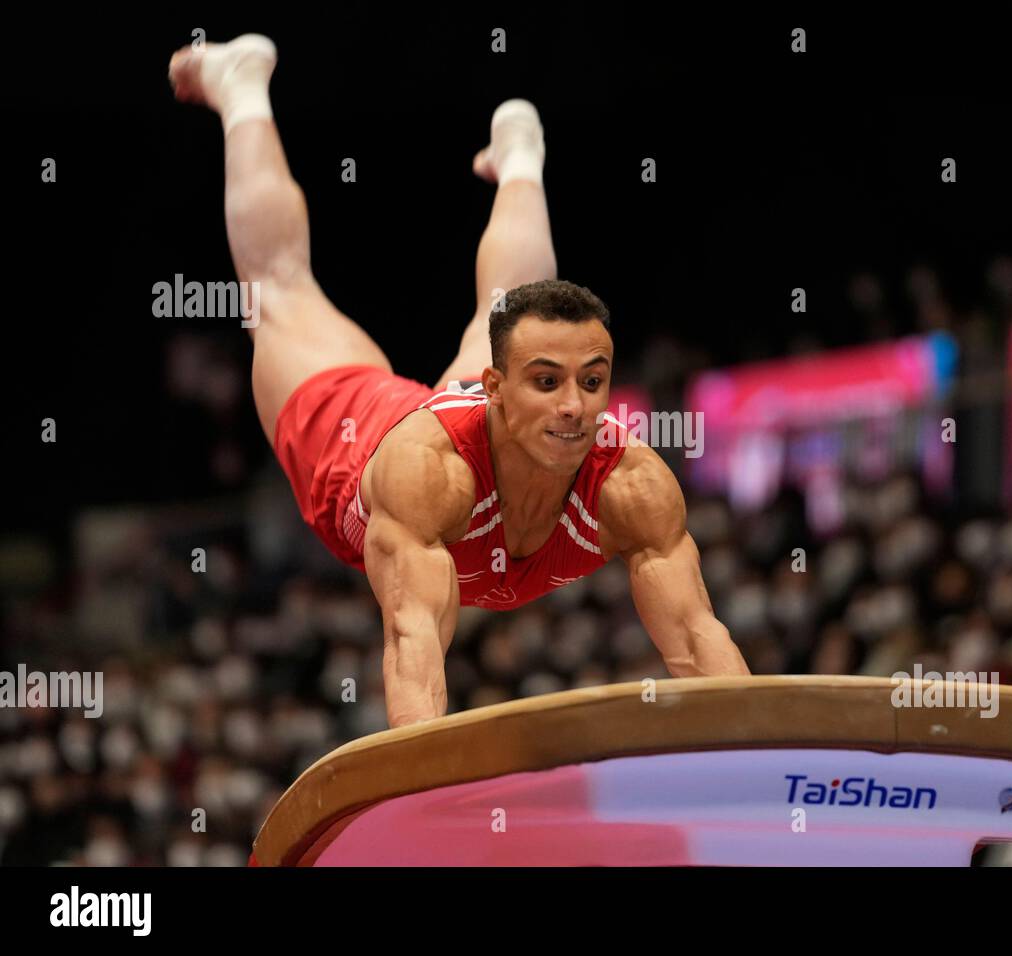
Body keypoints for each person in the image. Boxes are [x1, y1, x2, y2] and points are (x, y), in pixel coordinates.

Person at [168, 34, 750, 727]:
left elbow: (696, 641)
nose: (574, 407)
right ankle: (241, 89)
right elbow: (414, 650)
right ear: (495, 389)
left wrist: (777, 765)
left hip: (464, 430)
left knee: (516, 311)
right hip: (362, 434)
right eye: (547, 384)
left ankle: (521, 162)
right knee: (276, 293)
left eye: (592, 382)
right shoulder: (427, 476)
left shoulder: (632, 484)